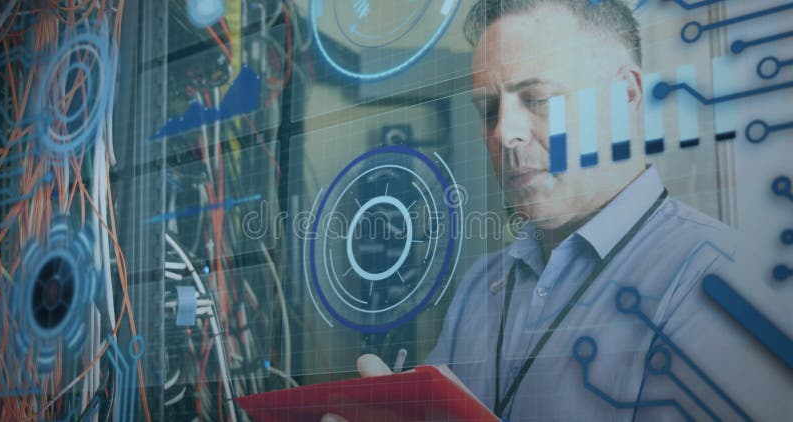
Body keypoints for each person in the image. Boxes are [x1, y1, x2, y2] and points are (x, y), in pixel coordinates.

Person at [324, 1, 792, 420]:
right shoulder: (479, 288)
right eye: (489, 109)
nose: (505, 133)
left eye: (539, 100)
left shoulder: (724, 284)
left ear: (626, 94)